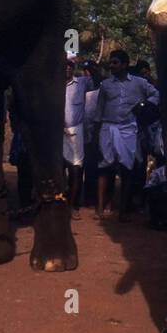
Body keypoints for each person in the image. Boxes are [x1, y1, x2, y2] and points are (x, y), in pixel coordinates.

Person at [94, 49, 159, 220]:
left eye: (115, 62)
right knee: (104, 166)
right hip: (108, 127)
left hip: (128, 129)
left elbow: (156, 94)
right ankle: (100, 208)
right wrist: (96, 130)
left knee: (127, 168)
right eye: (111, 62)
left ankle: (123, 210)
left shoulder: (139, 83)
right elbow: (99, 110)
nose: (111, 65)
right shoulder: (105, 85)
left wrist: (144, 105)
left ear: (124, 65)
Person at [63, 57, 92, 216]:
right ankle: (59, 204)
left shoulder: (82, 82)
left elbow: (96, 76)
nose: (67, 68)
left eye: (70, 66)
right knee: (59, 168)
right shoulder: (53, 84)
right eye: (65, 66)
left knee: (76, 170)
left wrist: (84, 63)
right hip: (58, 132)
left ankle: (73, 206)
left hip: (76, 131)